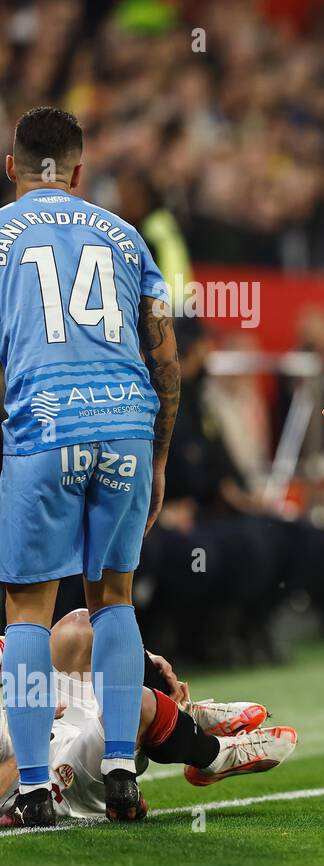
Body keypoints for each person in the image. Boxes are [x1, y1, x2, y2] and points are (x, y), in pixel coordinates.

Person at [0, 107, 180, 826]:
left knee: (27, 611)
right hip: (125, 425)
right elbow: (164, 356)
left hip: (43, 424)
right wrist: (159, 454)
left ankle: (36, 788)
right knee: (113, 601)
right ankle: (120, 779)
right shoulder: (126, 235)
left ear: (13, 167)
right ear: (78, 174)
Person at [0, 609, 297, 825]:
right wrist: (33, 726)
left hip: (57, 719)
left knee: (82, 626)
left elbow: (22, 655)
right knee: (137, 702)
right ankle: (213, 757)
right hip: (46, 775)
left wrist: (142, 659)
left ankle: (183, 711)